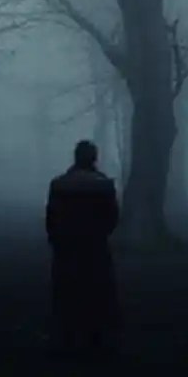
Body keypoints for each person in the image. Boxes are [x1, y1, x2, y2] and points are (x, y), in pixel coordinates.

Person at [46, 140, 120, 355]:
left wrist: (56, 238)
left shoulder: (59, 184)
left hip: (66, 247)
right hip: (95, 247)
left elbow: (51, 217)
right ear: (94, 158)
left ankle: (66, 337)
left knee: (66, 293)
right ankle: (96, 338)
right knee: (96, 292)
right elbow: (112, 217)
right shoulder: (103, 185)